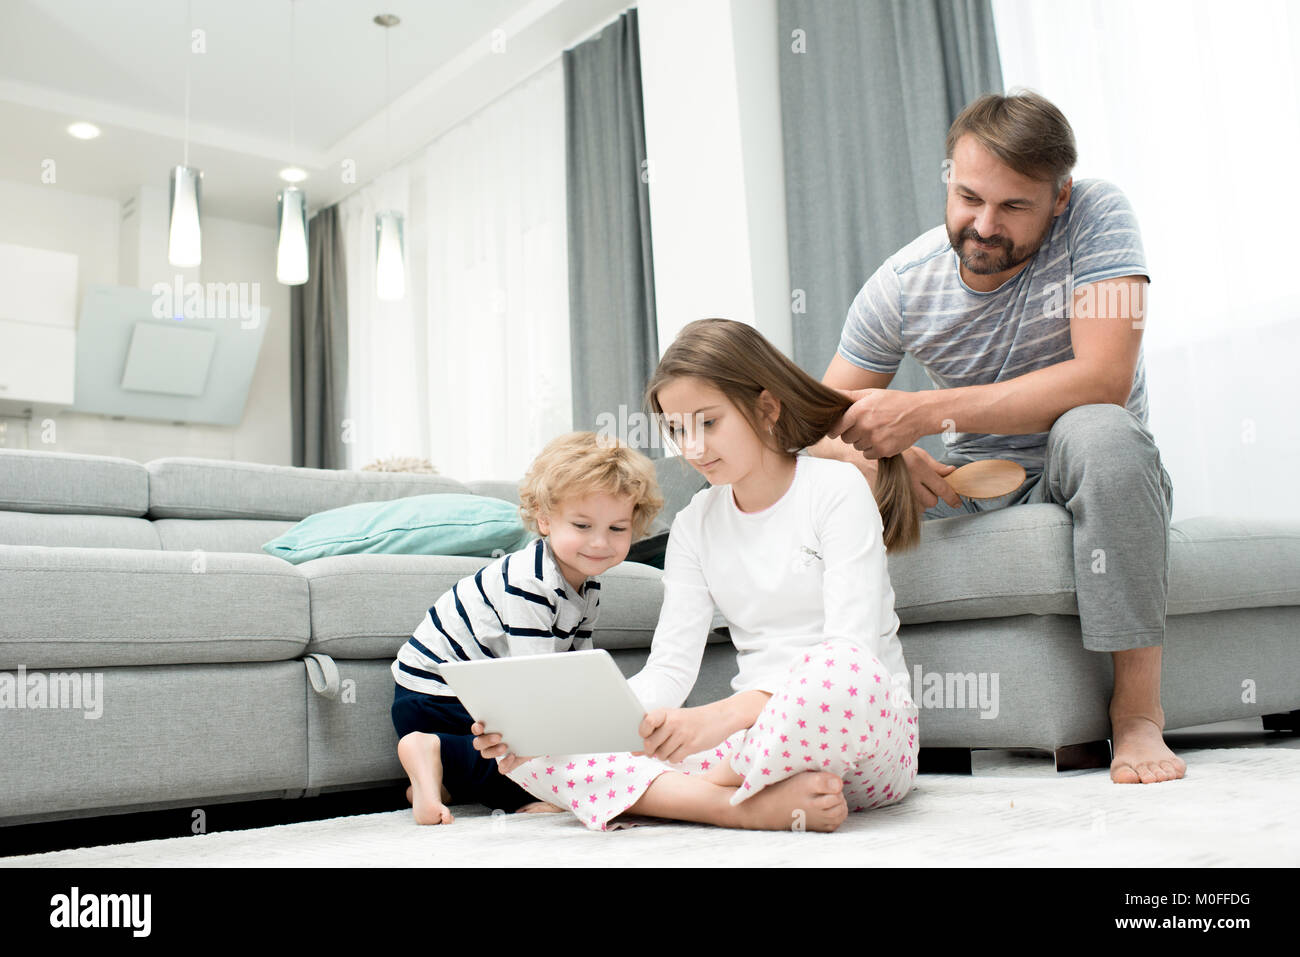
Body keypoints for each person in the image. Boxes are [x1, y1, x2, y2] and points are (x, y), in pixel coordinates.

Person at [812, 89, 1184, 785]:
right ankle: (848, 719)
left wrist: (925, 411)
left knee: (1102, 429)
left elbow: (1103, 378)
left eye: (1014, 206)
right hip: (973, 487)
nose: (983, 225)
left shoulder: (1098, 214)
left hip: (1089, 465)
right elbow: (819, 426)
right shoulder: (901, 286)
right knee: (845, 474)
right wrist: (885, 447)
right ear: (947, 177)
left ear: (1060, 197)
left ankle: (1137, 713)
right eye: (968, 196)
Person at [473, 318, 920, 832]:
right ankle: (741, 803)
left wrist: (717, 719)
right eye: (678, 429)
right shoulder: (695, 524)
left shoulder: (835, 488)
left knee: (844, 668)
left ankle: (684, 793)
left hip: (862, 735)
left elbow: (853, 648)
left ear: (766, 408)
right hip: (750, 746)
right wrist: (574, 726)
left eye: (708, 423)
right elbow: (669, 670)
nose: (692, 448)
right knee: (533, 754)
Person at [391, 431, 663, 824]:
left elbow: (577, 670)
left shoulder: (588, 582)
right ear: (544, 519)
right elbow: (531, 683)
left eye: (617, 529)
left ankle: (441, 776)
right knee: (531, 764)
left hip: (470, 695)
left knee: (573, 750)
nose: (600, 543)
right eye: (583, 526)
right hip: (432, 697)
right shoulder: (530, 580)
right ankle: (431, 749)